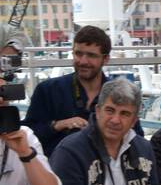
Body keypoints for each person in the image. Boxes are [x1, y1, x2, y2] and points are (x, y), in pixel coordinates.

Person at [23, 25, 124, 155]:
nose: (83, 61)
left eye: (91, 55)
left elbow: (134, 136)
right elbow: (28, 134)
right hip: (57, 171)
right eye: (78, 53)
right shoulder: (47, 90)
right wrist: (57, 125)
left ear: (106, 59)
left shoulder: (120, 95)